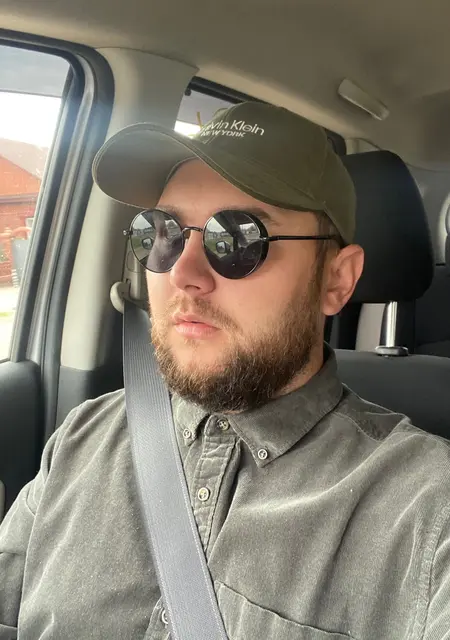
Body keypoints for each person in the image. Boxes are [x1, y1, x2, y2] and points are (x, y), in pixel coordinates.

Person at [1, 102, 450, 640]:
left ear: (337, 280)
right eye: (161, 233)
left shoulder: (427, 510)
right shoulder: (81, 439)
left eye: (237, 238)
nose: (183, 273)